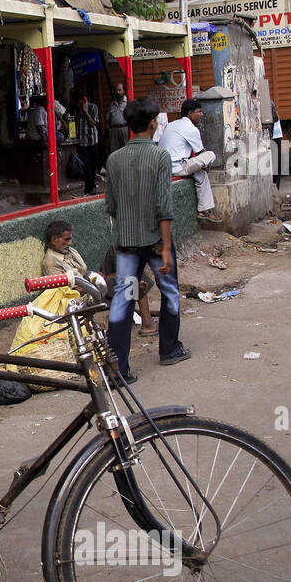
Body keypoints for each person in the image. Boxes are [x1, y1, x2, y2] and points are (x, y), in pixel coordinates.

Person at [105, 98, 190, 382]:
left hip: (127, 242)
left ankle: (118, 369)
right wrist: (166, 248)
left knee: (122, 301)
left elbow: (111, 206)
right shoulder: (160, 157)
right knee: (170, 293)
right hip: (155, 240)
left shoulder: (113, 159)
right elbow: (164, 207)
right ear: (153, 123)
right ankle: (170, 349)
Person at [158, 97, 220, 222]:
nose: (201, 115)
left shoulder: (172, 124)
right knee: (210, 155)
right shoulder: (191, 129)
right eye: (199, 112)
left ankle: (204, 211)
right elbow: (201, 153)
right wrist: (206, 167)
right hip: (176, 167)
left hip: (164, 166)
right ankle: (205, 210)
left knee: (201, 175)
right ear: (190, 113)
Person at [74, 92, 101, 194]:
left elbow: (93, 123)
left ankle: (91, 186)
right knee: (86, 165)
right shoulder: (77, 109)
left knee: (93, 164)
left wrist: (85, 111)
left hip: (92, 140)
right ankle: (89, 186)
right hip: (82, 141)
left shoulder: (93, 107)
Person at [106, 84, 129, 156]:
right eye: (116, 90)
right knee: (114, 152)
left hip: (124, 129)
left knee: (126, 150)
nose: (117, 92)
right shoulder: (112, 104)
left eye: (119, 90)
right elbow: (108, 118)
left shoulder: (128, 103)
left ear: (124, 91)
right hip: (114, 130)